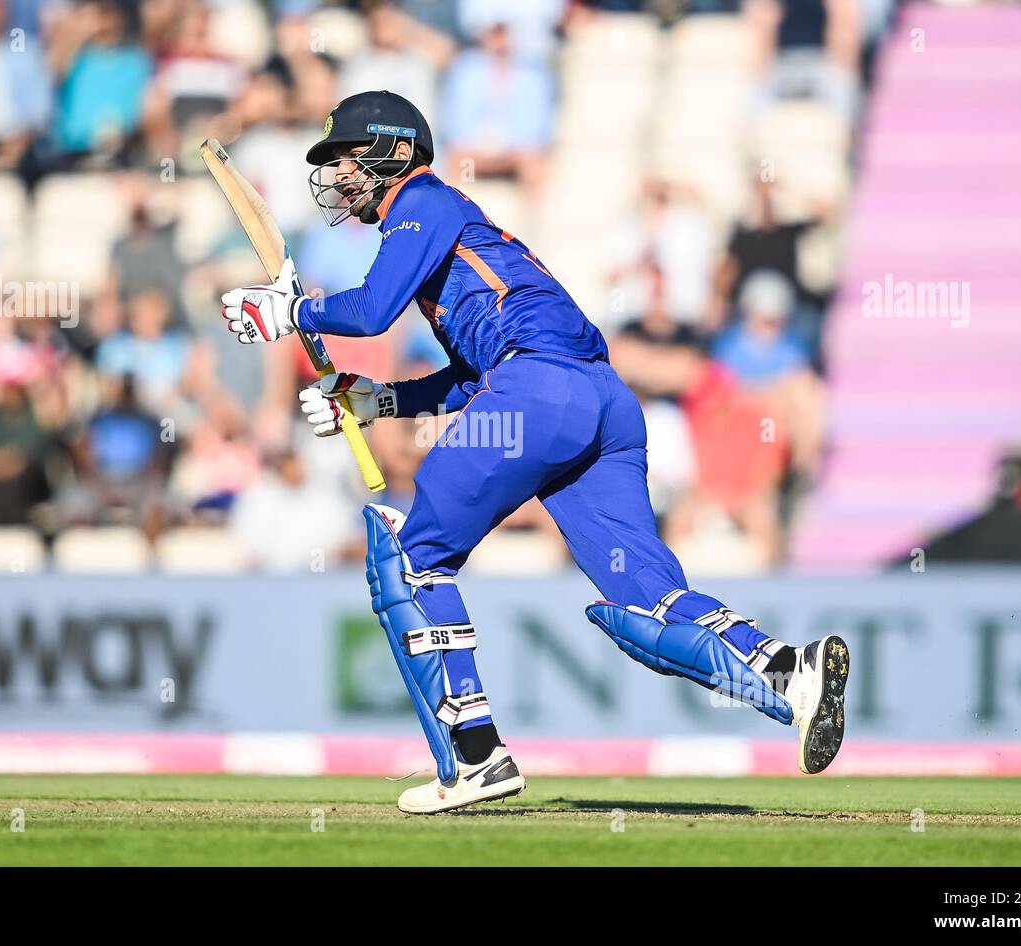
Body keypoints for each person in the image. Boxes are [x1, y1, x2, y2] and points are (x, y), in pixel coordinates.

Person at [219, 91, 850, 813]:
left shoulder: (422, 202)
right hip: (600, 404)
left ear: (395, 151)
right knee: (648, 598)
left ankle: (475, 753)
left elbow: (368, 311)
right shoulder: (458, 245)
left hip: (542, 394)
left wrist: (290, 310)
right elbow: (471, 377)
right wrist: (380, 400)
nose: (338, 175)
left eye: (347, 158)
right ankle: (786, 672)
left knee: (413, 557)